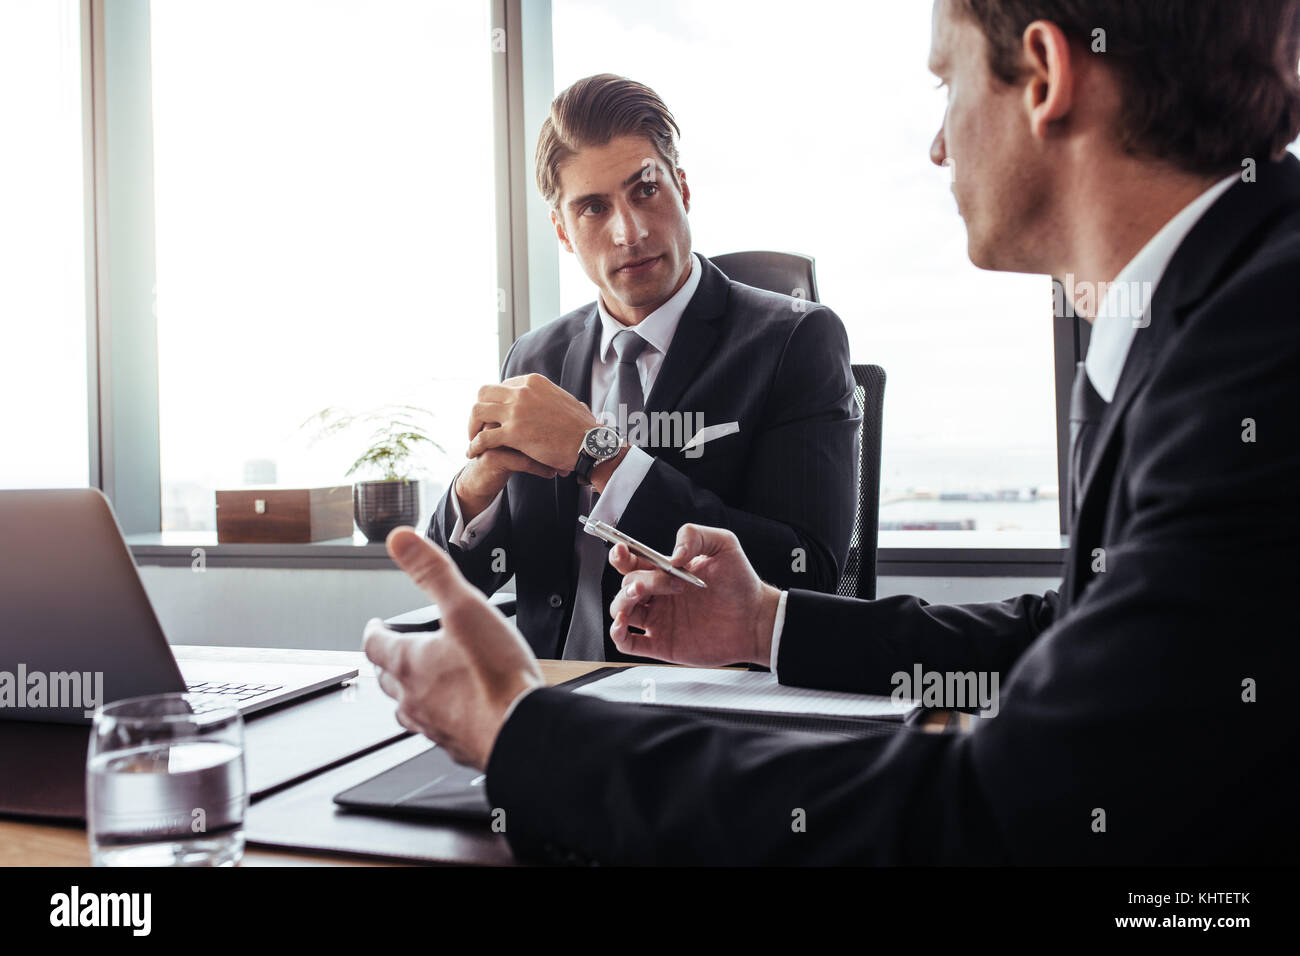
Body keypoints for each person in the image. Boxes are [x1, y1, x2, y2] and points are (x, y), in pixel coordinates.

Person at [368, 0, 1300, 863]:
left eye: (946, 83)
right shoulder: (1200, 323)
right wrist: (762, 620)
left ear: (1047, 76)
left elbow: (1009, 807)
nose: (937, 146)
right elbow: (1064, 637)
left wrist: (532, 742)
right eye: (592, 208)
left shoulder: (1255, 349)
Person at [427, 73, 859, 662]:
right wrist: (479, 485)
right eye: (593, 208)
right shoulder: (534, 358)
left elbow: (809, 574)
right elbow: (458, 583)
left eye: (646, 191)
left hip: (701, 699)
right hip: (546, 695)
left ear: (683, 188)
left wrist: (599, 455)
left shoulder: (796, 341)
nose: (628, 232)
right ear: (562, 231)